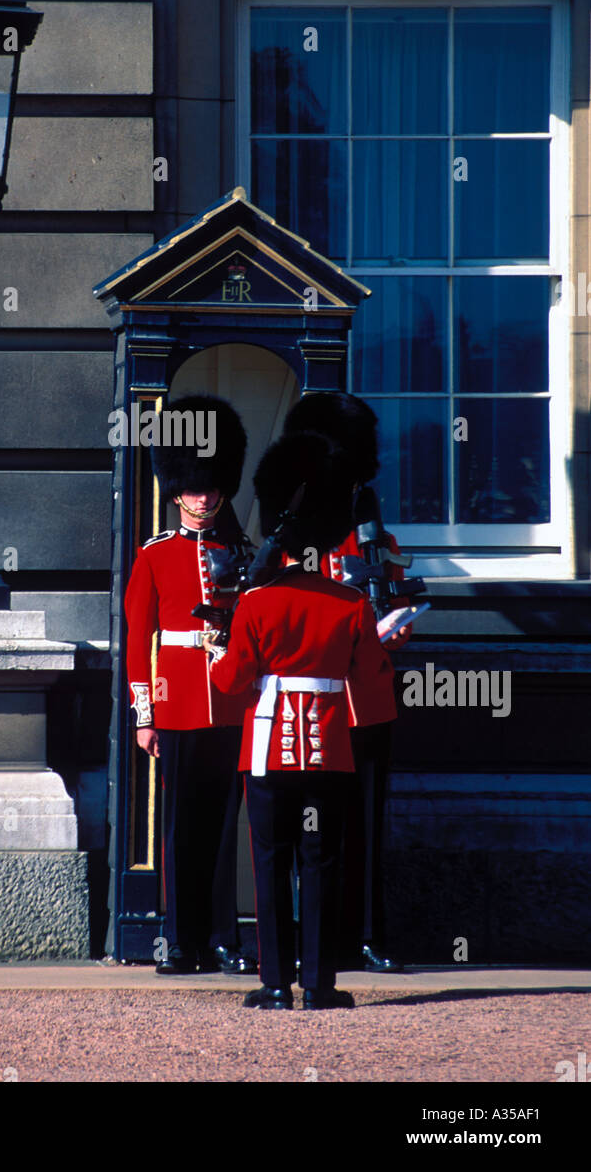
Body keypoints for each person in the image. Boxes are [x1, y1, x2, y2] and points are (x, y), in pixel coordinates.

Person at [207, 430, 397, 1010]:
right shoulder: (350, 604)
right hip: (329, 755)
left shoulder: (256, 603)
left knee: (269, 865)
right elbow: (371, 682)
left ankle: (273, 985)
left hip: (267, 753)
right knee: (320, 864)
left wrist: (219, 649)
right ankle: (319, 985)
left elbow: (230, 681)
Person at [124, 393, 257, 976]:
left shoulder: (242, 554)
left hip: (232, 703)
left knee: (227, 825)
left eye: (210, 487)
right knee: (180, 827)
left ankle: (223, 938)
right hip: (176, 705)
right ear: (176, 490)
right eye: (194, 487)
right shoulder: (153, 555)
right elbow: (138, 639)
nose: (203, 497)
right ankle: (181, 940)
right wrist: (144, 714)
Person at [283, 391, 410, 973]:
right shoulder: (299, 534)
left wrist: (396, 625)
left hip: (371, 702)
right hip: (317, 704)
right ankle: (317, 937)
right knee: (314, 827)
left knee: (366, 820)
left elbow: (404, 596)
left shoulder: (375, 533)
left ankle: (368, 934)